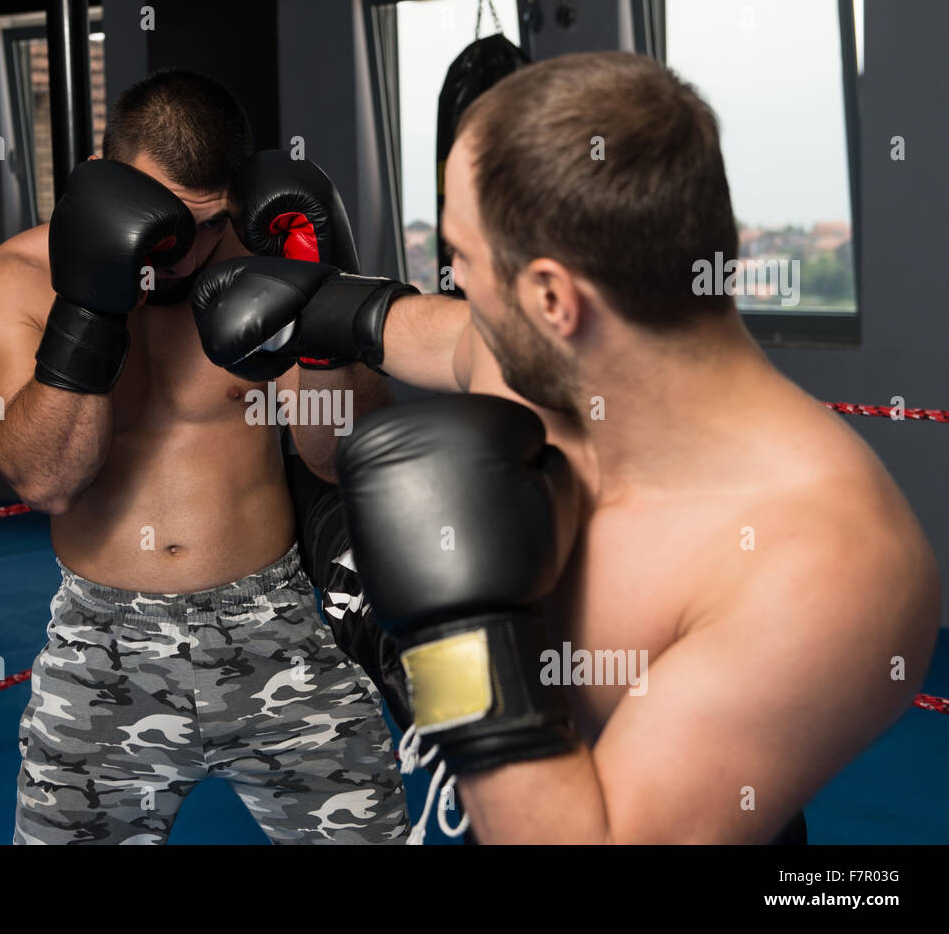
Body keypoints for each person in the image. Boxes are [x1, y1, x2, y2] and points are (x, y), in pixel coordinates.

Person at [190, 51, 941, 843]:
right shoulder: (536, 350)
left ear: (554, 298)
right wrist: (324, 305)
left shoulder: (825, 564)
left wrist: (457, 641)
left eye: (464, 262)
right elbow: (431, 330)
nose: (454, 283)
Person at [0, 68, 407, 844]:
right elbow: (45, 479)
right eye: (167, 226)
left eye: (208, 223)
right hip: (102, 649)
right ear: (108, 181)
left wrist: (323, 316)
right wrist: (89, 305)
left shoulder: (266, 264)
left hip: (280, 628)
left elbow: (341, 457)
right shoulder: (3, 287)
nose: (189, 255)